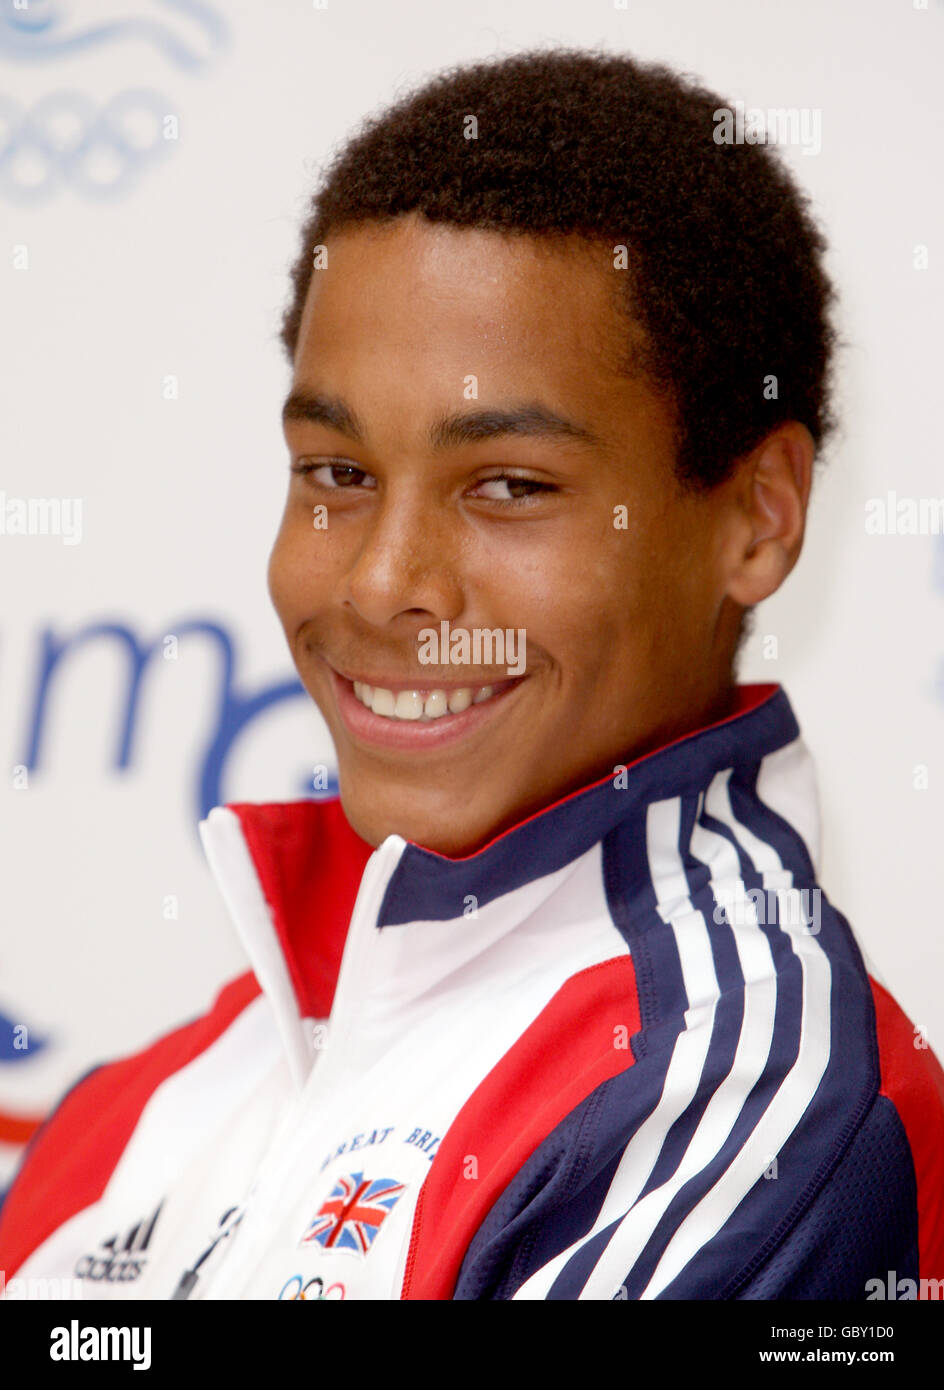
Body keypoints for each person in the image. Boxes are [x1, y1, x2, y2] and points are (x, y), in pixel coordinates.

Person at [1, 47, 942, 1302]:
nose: (384, 582)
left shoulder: (749, 1108)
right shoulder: (137, 1109)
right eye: (335, 473)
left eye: (507, 486)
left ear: (756, 518)